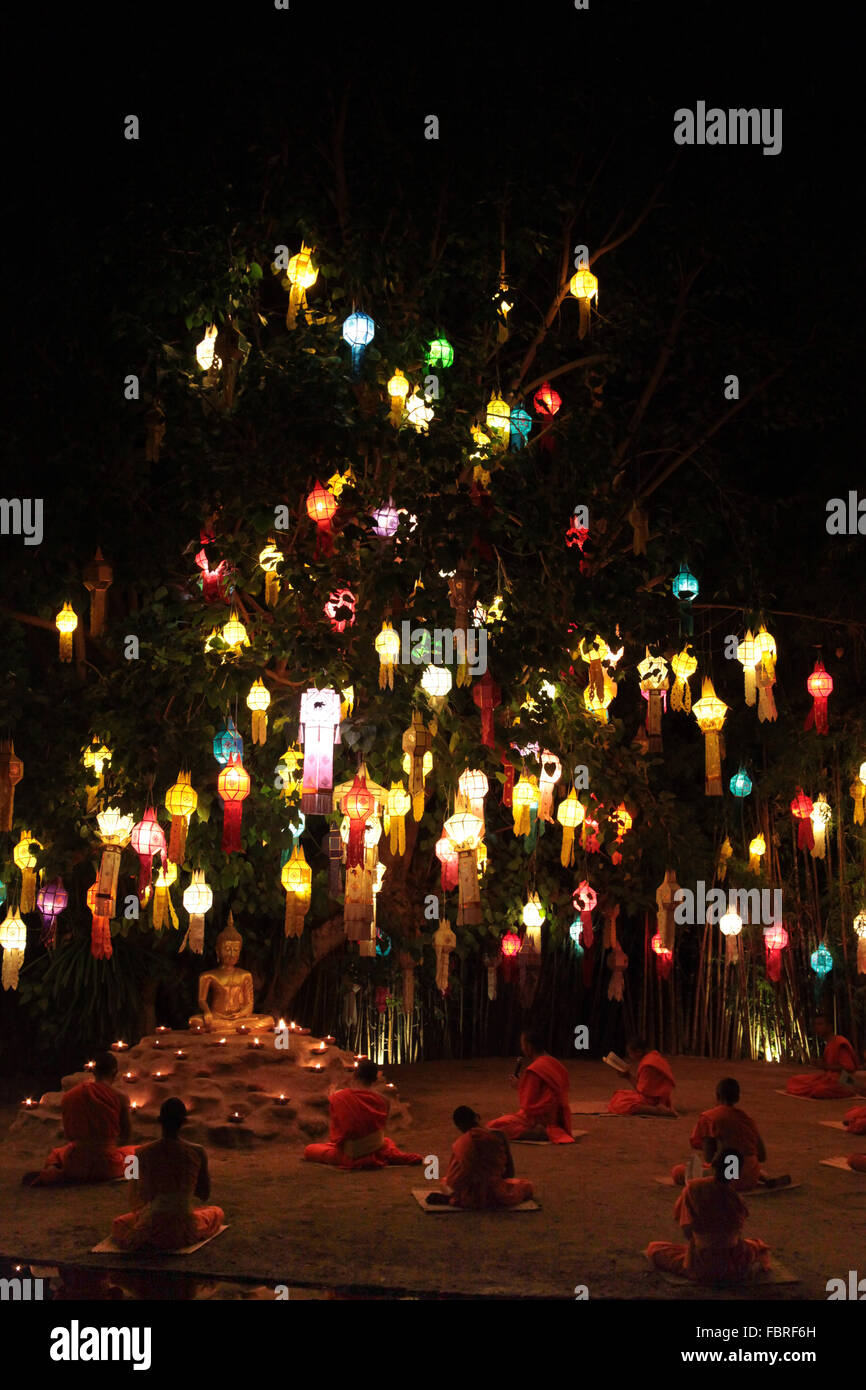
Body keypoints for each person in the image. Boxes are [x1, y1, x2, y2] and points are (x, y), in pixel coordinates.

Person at [646, 1147, 771, 1284]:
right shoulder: (736, 1198)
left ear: (714, 1164)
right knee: (756, 1245)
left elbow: (687, 1232)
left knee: (654, 1248)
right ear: (737, 1172)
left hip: (703, 1264)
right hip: (734, 1264)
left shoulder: (694, 1188)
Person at [112, 1098, 224, 1251]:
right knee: (216, 1213)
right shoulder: (198, 1152)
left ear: (159, 1120)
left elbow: (134, 1196)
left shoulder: (140, 1153)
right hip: (184, 1227)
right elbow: (204, 1194)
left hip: (149, 1226)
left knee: (119, 1223)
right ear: (184, 1121)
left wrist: (147, 1212)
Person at [24, 1052, 137, 1187]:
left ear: (93, 1071)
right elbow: (127, 1135)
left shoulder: (71, 1095)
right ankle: (129, 1176)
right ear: (115, 1072)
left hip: (75, 1165)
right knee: (137, 1152)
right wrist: (107, 1144)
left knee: (57, 1153)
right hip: (108, 1166)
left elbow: (69, 1135)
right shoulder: (120, 1097)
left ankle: (54, 1171)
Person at [304, 1060, 423, 1168]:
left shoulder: (339, 1097)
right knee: (386, 1142)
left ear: (355, 1075)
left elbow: (339, 1128)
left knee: (310, 1149)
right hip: (376, 1148)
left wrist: (333, 1098)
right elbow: (377, 1126)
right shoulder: (384, 1100)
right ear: (375, 1079)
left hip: (351, 1154)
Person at [671, 1077, 786, 1190]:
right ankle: (764, 1177)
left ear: (717, 1096)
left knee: (678, 1171)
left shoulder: (710, 1117)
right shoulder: (747, 1119)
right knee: (746, 1164)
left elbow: (709, 1158)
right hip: (751, 1176)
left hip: (727, 1178)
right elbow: (762, 1156)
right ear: (738, 1098)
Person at [487, 1030, 573, 1144]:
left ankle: (535, 1132)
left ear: (528, 1046)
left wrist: (519, 1086)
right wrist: (522, 1086)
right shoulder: (557, 1065)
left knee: (494, 1126)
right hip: (559, 1119)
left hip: (540, 1120)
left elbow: (529, 1105)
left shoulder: (535, 1069)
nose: (522, 1048)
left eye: (522, 1045)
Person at [441, 1106, 534, 1209]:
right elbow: (510, 1173)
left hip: (469, 1196)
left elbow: (455, 1178)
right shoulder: (499, 1135)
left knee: (445, 1182)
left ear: (458, 1126)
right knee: (526, 1186)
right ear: (477, 1117)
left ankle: (454, 1197)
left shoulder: (462, 1142)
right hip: (496, 1193)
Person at [785, 1016, 859, 1098]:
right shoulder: (829, 1043)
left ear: (829, 1027)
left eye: (820, 1024)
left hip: (844, 1080)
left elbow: (848, 1068)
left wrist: (825, 1066)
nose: (816, 1028)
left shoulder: (839, 1042)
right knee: (794, 1080)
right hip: (829, 1078)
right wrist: (820, 1064)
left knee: (819, 1090)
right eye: (815, 1025)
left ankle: (849, 1090)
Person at [609, 1037, 676, 1115]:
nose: (630, 1056)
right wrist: (627, 1076)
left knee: (620, 1103)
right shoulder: (654, 1057)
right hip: (660, 1097)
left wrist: (628, 1076)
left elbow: (644, 1091)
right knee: (618, 1095)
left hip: (654, 1099)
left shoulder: (648, 1065)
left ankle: (655, 1110)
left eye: (630, 1053)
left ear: (638, 1052)